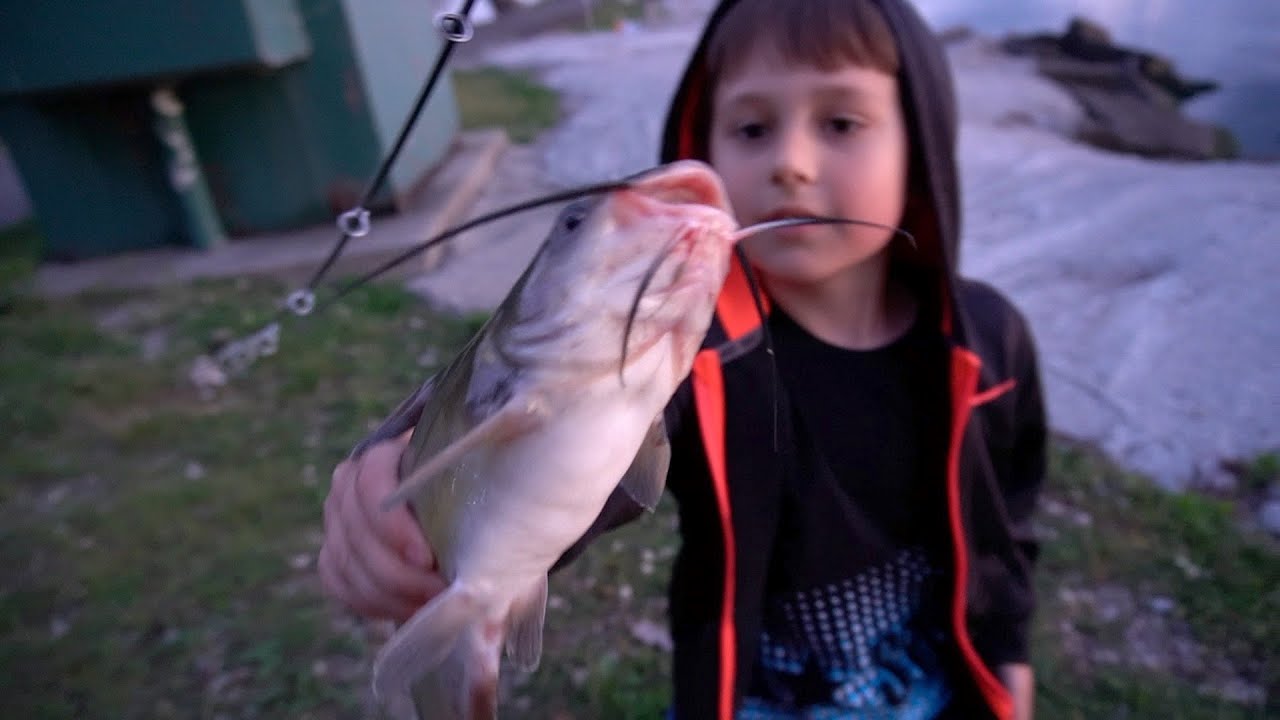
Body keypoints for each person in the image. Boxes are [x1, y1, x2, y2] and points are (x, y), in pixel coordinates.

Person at [318, 1, 1047, 718]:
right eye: (752, 128)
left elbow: (1007, 525)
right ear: (705, 139)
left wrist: (1009, 661)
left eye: (841, 123)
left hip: (942, 690)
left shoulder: (992, 339)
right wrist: (400, 489)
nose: (791, 163)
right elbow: (573, 457)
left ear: (923, 144)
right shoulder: (682, 362)